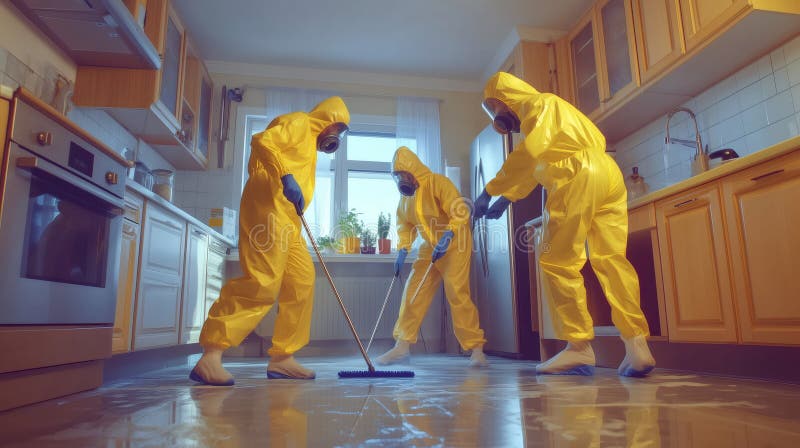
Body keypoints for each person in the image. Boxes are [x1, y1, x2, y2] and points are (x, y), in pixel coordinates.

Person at [473, 72, 655, 377]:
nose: (500, 120)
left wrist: (487, 191)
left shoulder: (538, 105)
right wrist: (507, 198)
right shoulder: (553, 113)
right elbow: (537, 161)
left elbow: (530, 154)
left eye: (496, 109)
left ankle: (578, 347)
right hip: (607, 173)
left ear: (507, 100)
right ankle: (637, 346)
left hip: (577, 173)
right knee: (611, 260)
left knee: (557, 261)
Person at [190, 97, 350, 385]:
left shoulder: (310, 144)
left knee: (301, 281)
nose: (337, 136)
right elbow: (262, 141)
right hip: (268, 210)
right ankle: (211, 355)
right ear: (328, 119)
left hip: (289, 221)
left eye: (342, 132)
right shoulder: (300, 121)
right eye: (337, 127)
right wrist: (286, 175)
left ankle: (283, 357)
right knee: (263, 281)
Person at [377, 147, 488, 368]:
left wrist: (448, 234)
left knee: (457, 293)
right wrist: (402, 249)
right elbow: (405, 226)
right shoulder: (406, 200)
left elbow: (459, 210)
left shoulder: (438, 183)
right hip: (430, 248)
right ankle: (402, 347)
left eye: (403, 174)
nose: (401, 179)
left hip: (455, 243)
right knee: (413, 292)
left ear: (413, 169)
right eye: (396, 176)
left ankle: (476, 349)